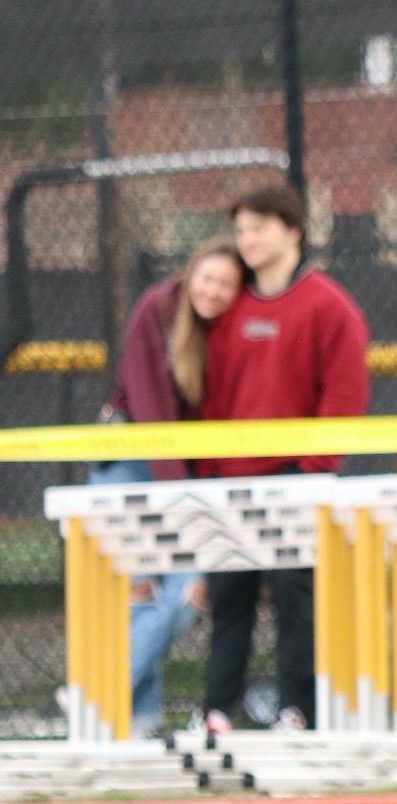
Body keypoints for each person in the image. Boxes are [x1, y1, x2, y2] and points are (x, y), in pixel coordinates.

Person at [191, 184, 369, 735]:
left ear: (292, 231)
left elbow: (343, 394)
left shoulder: (328, 304)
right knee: (229, 597)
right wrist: (211, 470)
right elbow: (214, 397)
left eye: (258, 227)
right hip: (232, 479)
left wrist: (313, 468)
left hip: (298, 477)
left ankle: (299, 710)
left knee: (296, 597)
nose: (247, 239)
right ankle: (217, 711)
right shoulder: (229, 307)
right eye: (240, 229)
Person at [91, 236, 246, 737]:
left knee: (188, 591)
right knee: (139, 593)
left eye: (227, 284)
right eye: (208, 278)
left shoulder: (228, 329)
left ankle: (98, 692)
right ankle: (134, 720)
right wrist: (186, 501)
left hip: (186, 476)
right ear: (191, 273)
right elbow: (154, 417)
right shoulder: (155, 310)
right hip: (133, 463)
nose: (215, 291)